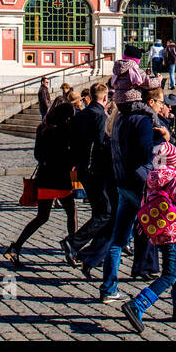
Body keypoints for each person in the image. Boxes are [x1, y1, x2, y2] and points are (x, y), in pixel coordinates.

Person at [121, 141, 176, 334]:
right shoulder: (175, 179)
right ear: (174, 159)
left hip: (158, 230)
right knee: (169, 274)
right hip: (173, 231)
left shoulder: (152, 177)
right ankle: (137, 305)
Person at [99, 48, 164, 303]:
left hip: (122, 181)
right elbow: (145, 155)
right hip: (140, 184)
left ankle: (108, 288)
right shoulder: (142, 120)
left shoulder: (118, 119)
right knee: (167, 235)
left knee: (118, 239)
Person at [6, 100, 77, 268]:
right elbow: (71, 158)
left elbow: (38, 155)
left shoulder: (43, 129)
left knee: (42, 217)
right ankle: (72, 249)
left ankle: (16, 246)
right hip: (62, 179)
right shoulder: (67, 131)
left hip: (45, 177)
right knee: (71, 213)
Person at [65, 82, 112, 272]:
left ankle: (93, 254)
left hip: (81, 169)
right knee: (105, 212)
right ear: (105, 98)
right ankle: (73, 243)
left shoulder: (81, 114)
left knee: (98, 210)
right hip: (96, 170)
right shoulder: (100, 116)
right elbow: (101, 144)